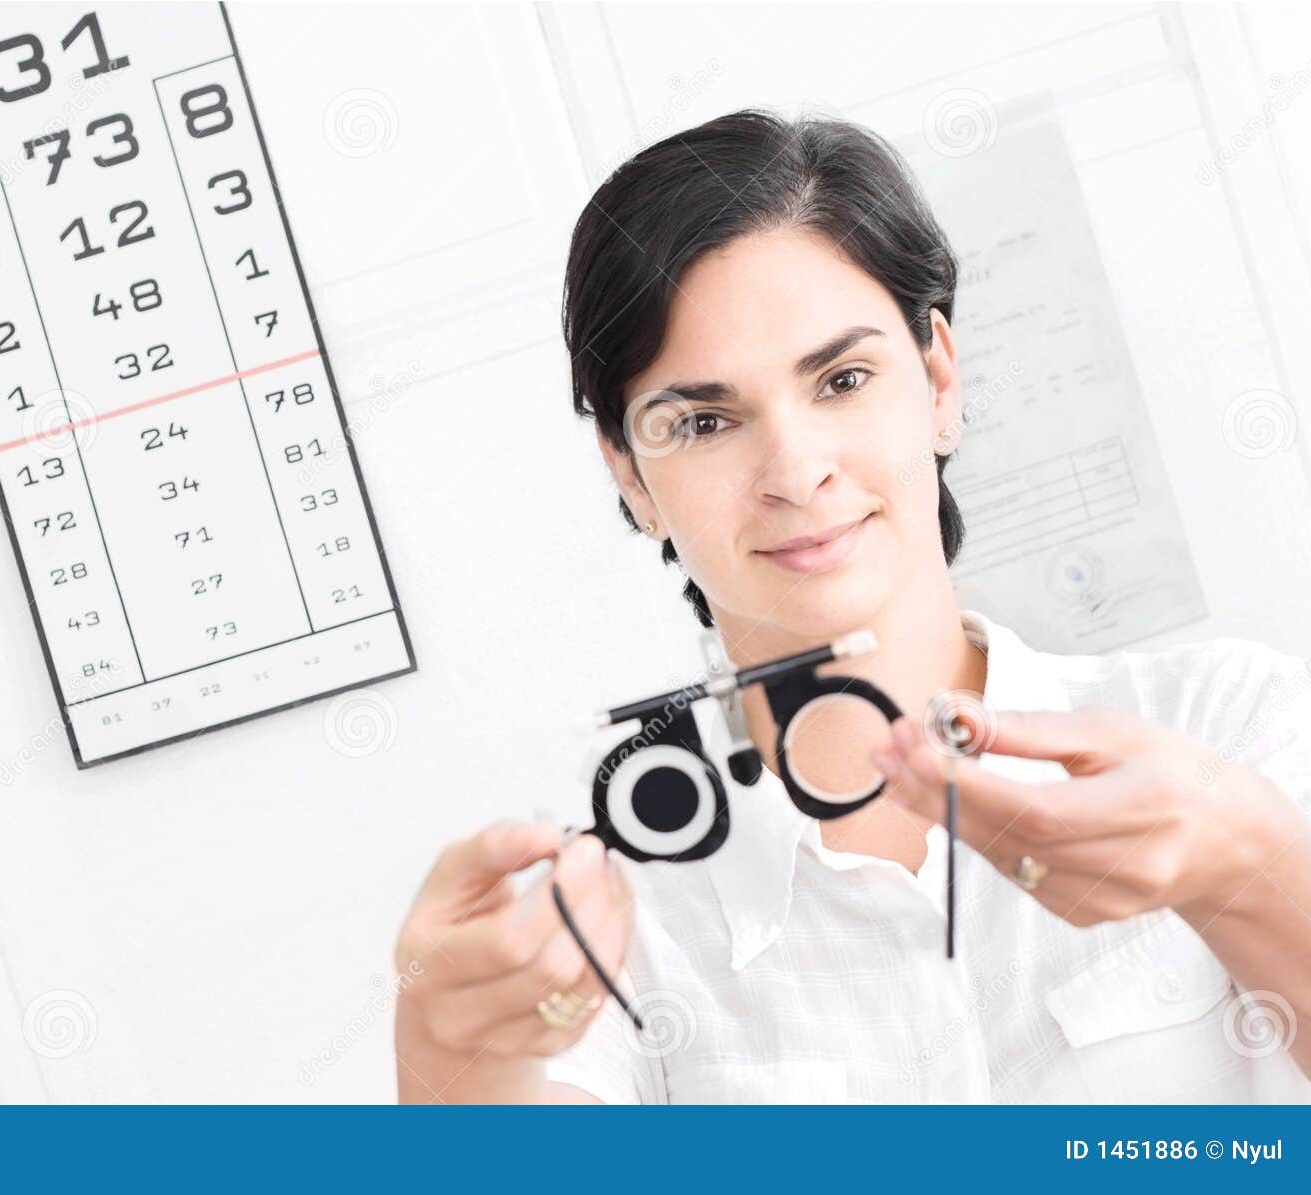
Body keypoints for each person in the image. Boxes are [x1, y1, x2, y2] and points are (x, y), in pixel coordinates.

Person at [392, 109, 1311, 1103]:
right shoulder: (602, 931)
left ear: (937, 380)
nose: (795, 469)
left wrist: (1247, 872)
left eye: (841, 378)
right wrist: (447, 1060)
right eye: (704, 420)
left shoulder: (1232, 731)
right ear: (631, 474)